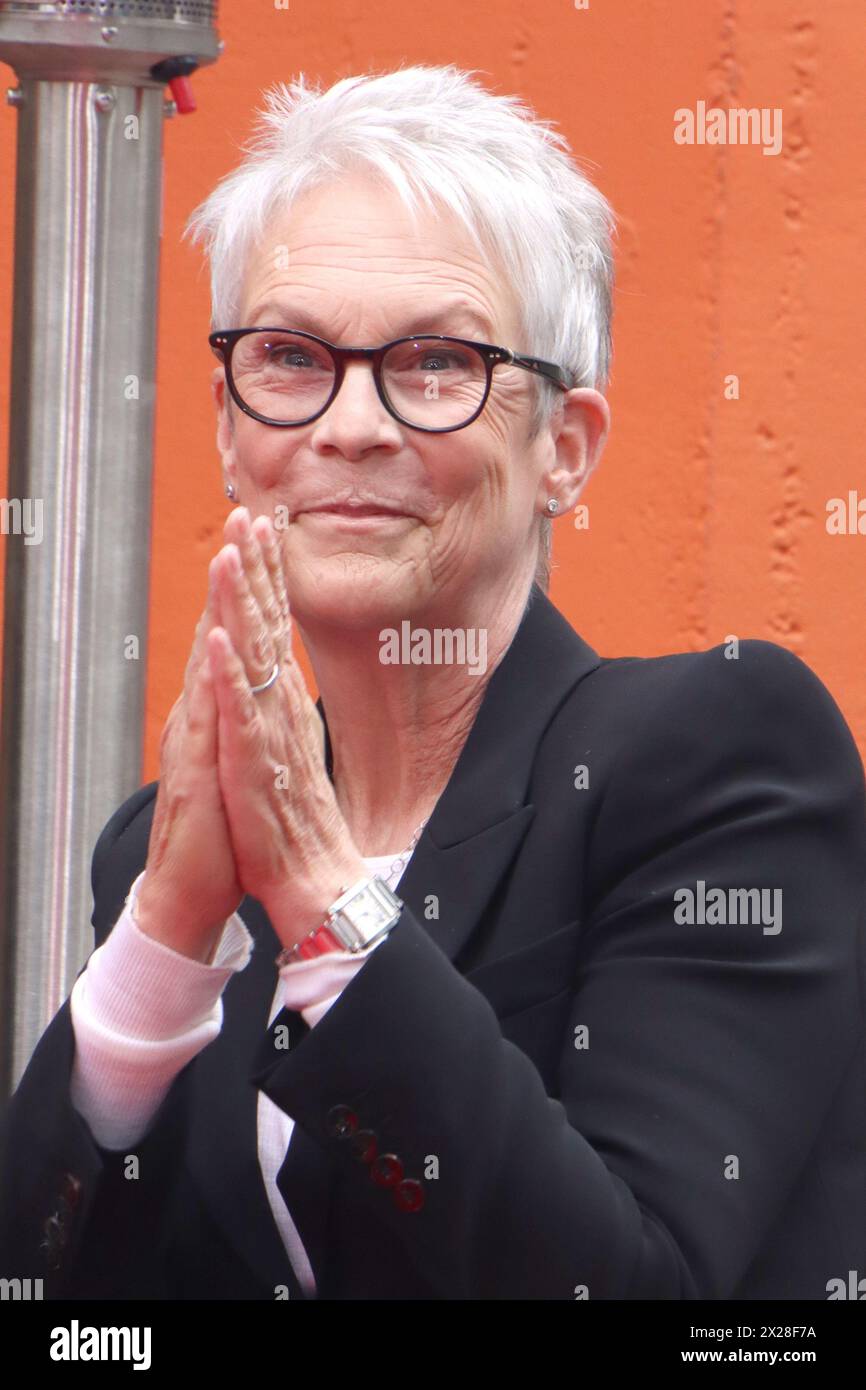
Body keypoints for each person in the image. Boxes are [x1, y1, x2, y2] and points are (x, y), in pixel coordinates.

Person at [1, 63, 864, 1302]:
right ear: (227, 427)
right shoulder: (170, 849)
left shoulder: (711, 755)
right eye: (292, 356)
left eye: (434, 362)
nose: (350, 426)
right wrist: (158, 944)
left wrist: (317, 893)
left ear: (561, 449)